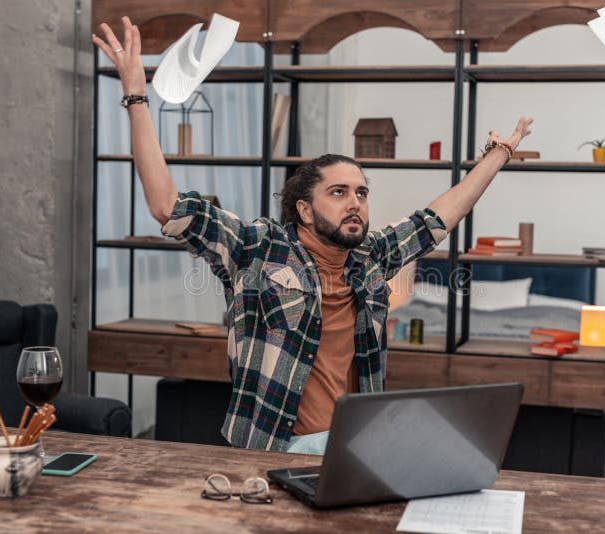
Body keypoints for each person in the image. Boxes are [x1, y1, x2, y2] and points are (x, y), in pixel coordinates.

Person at [92, 17, 533, 455]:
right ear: (304, 209)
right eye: (338, 192)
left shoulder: (371, 258)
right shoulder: (257, 248)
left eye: (361, 192)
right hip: (270, 448)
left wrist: (500, 154)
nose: (355, 203)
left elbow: (438, 218)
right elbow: (166, 205)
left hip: (353, 447)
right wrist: (135, 95)